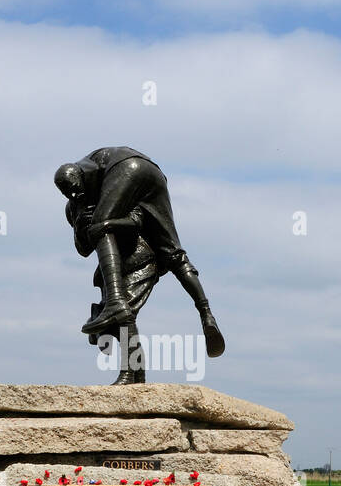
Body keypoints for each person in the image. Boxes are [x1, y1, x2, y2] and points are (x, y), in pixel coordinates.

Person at [54, 147, 225, 359]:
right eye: (69, 194)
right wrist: (81, 224)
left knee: (120, 298)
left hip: (129, 169)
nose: (76, 195)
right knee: (173, 254)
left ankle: (115, 303)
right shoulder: (75, 206)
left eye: (77, 189)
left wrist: (105, 223)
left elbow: (135, 222)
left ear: (80, 177)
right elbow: (83, 250)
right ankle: (206, 315)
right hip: (127, 251)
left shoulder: (98, 177)